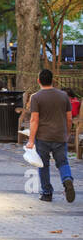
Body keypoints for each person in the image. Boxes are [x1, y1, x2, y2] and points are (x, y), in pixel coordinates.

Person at [26, 68, 74, 203]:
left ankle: (47, 193)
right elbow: (69, 118)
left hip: (43, 137)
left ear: (38, 81)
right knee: (63, 162)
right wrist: (67, 133)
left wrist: (31, 140)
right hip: (60, 136)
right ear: (53, 80)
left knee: (43, 165)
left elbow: (34, 120)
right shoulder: (64, 96)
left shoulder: (36, 97)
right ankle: (67, 178)